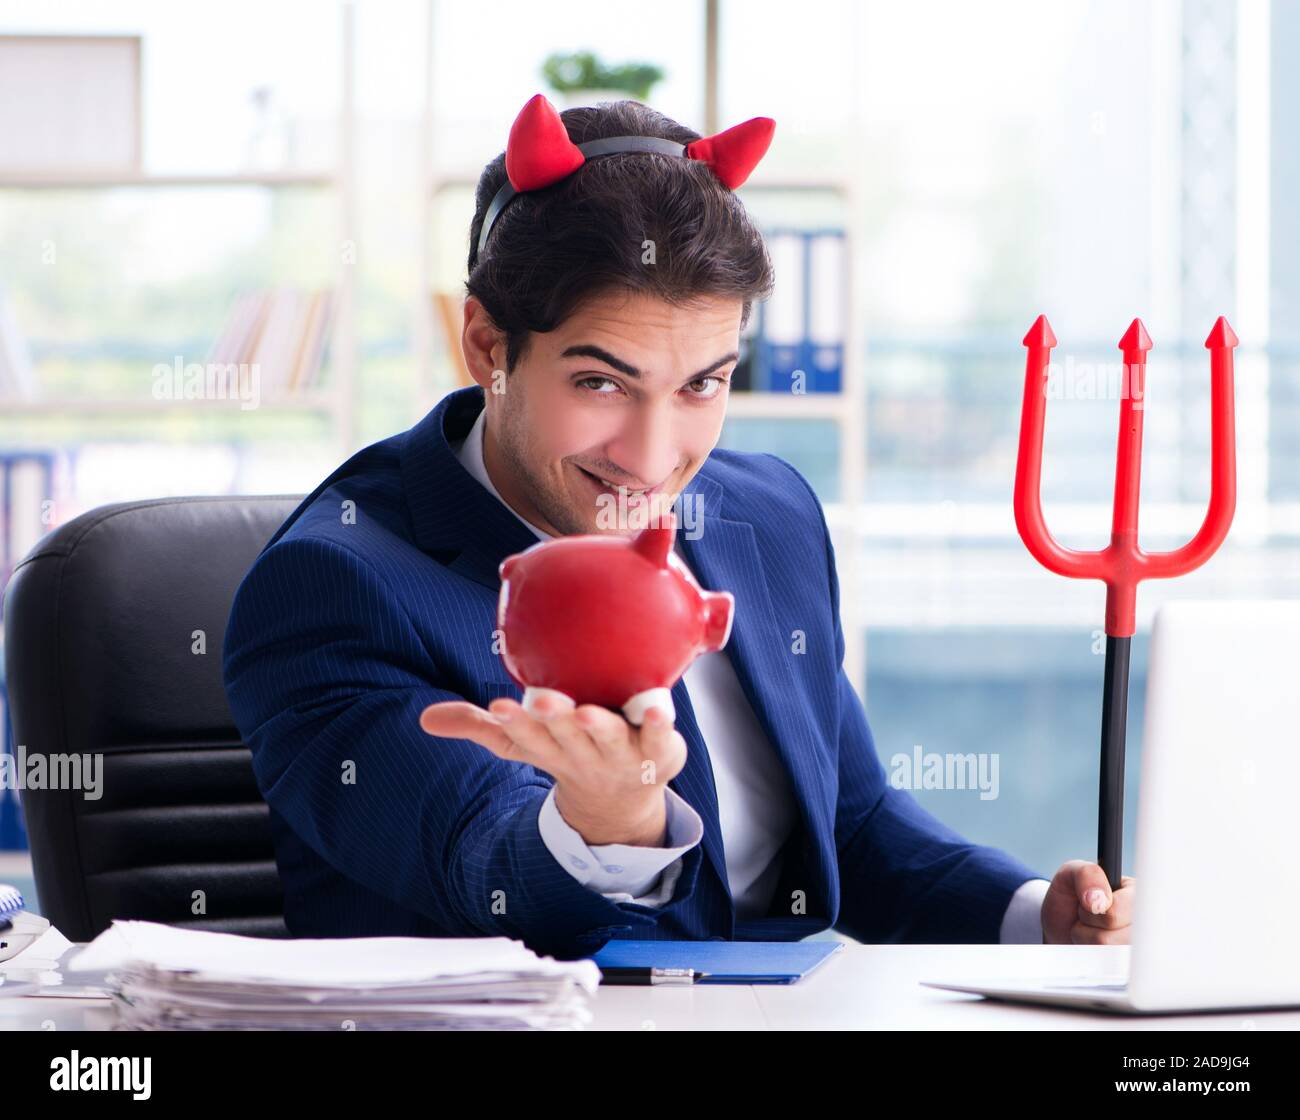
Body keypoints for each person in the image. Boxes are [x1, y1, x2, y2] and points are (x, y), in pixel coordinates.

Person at [222, 95, 1134, 959]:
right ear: (489, 350)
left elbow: (850, 823)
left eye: (703, 384)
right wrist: (609, 822)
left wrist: (1030, 919)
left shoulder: (767, 515)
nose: (653, 457)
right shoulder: (335, 587)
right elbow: (484, 868)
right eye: (602, 383)